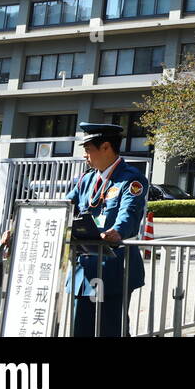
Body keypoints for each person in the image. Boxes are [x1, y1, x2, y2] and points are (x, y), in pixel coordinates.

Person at [64, 122, 149, 337]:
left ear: (106, 147)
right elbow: (63, 207)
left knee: (110, 327)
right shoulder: (87, 179)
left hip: (114, 266)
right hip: (84, 267)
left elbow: (129, 212)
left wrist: (117, 231)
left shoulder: (131, 178)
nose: (85, 156)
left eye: (88, 150)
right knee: (80, 327)